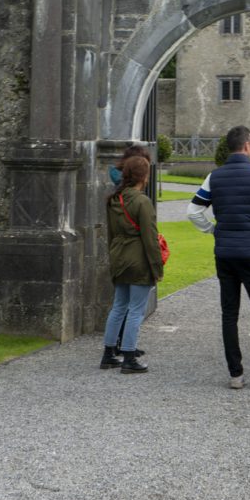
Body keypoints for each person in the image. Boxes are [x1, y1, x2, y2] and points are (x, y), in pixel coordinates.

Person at [187, 125, 250, 390]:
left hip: (225, 253)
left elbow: (194, 211)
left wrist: (213, 230)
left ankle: (236, 375)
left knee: (229, 313)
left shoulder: (214, 176)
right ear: (247, 146)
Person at [100, 154, 164, 374]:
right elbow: (150, 238)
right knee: (136, 310)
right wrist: (157, 267)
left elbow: (111, 234)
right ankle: (128, 357)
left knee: (119, 306)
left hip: (119, 256)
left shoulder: (113, 199)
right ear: (144, 176)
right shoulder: (141, 201)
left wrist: (114, 257)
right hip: (138, 259)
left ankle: (109, 353)